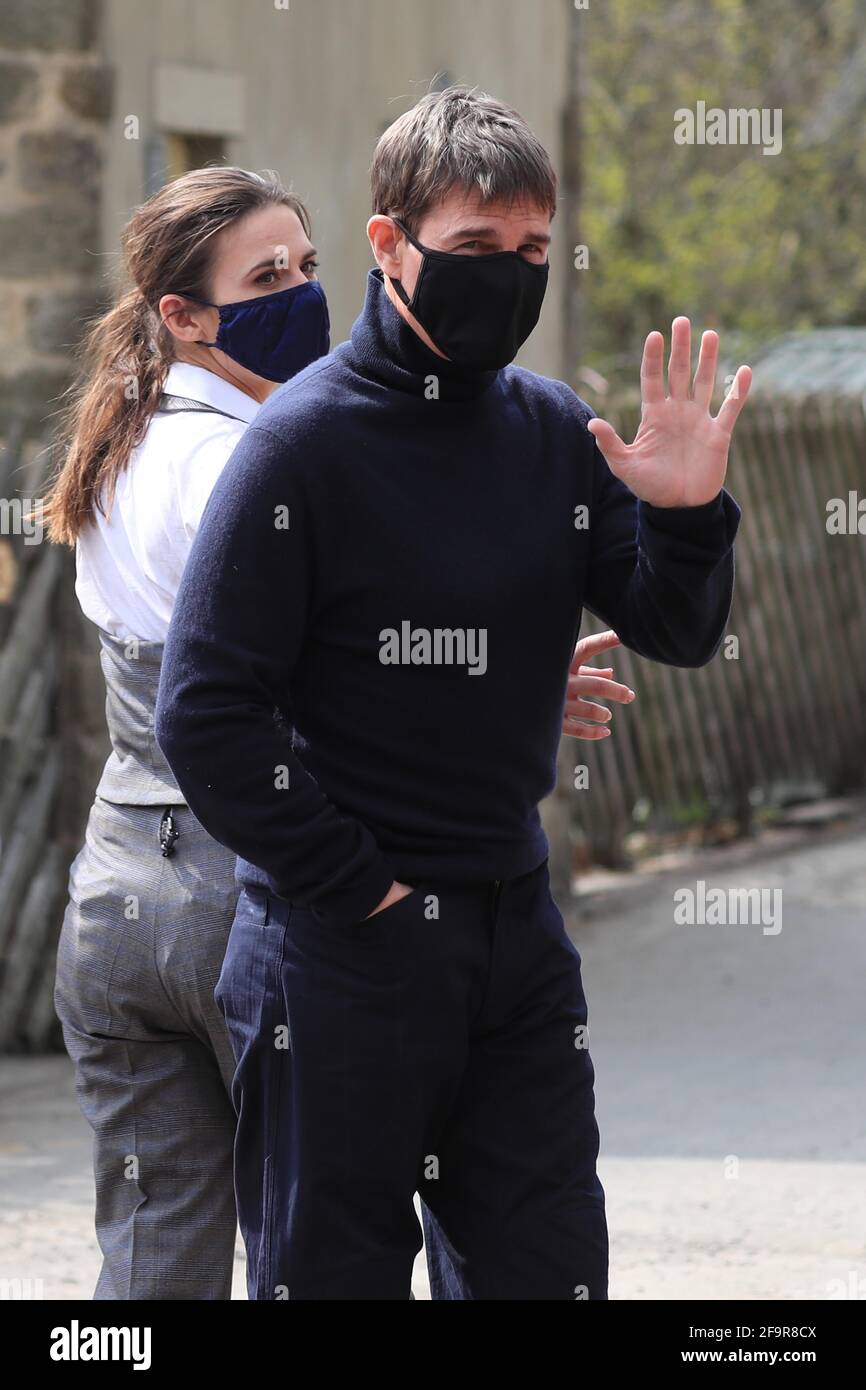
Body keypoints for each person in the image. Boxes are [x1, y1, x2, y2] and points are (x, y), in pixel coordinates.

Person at [155, 85, 749, 1301]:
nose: (511, 276)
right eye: (476, 249)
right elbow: (206, 713)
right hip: (336, 955)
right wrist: (361, 889)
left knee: (543, 1271)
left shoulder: (550, 430)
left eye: (533, 250)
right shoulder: (299, 449)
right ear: (389, 246)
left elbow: (677, 630)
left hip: (512, 938)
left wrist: (685, 519)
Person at [45, 165, 329, 1299]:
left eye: (308, 266)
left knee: (152, 1252)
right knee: (308, 1240)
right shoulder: (247, 464)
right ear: (181, 314)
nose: (304, 292)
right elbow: (326, 678)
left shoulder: (111, 454)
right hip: (244, 892)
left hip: (114, 901)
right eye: (268, 276)